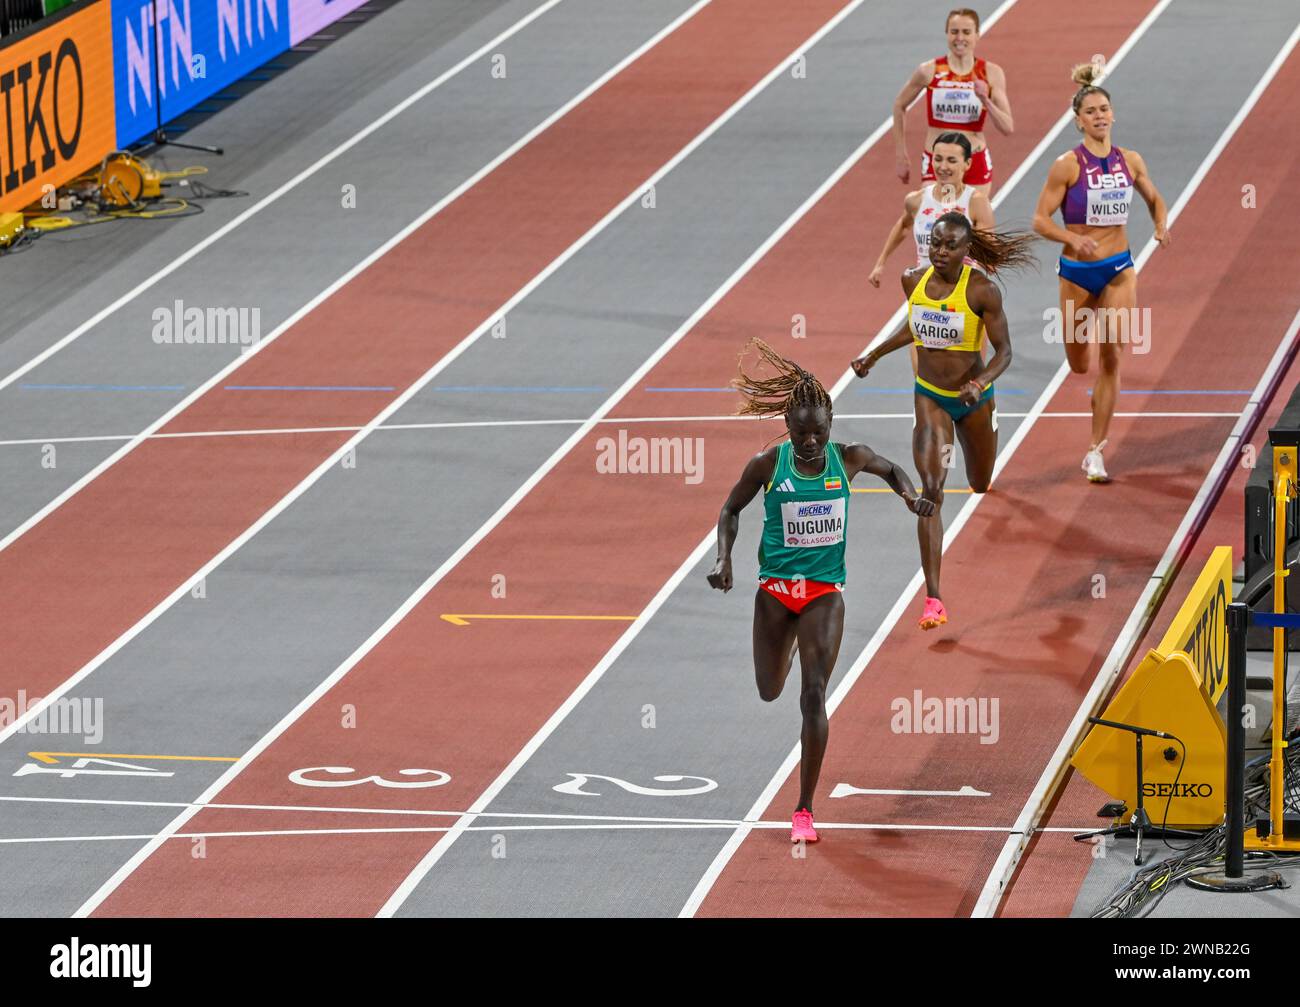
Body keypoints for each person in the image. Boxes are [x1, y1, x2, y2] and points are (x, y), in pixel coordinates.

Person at [708, 340, 933, 843]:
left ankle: (804, 811)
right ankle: (786, 647)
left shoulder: (847, 458)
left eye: (818, 433)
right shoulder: (768, 464)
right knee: (769, 691)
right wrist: (724, 560)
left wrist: (910, 496)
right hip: (774, 593)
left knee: (814, 695)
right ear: (788, 429)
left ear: (830, 427)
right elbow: (729, 510)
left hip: (823, 596)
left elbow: (892, 468)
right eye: (801, 434)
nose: (810, 442)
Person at [851, 214, 1035, 629]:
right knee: (931, 491)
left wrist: (982, 381)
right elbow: (915, 327)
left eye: (949, 246)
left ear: (965, 250)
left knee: (979, 481)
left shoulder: (982, 290)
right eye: (935, 243)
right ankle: (933, 598)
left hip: (973, 400)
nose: (939, 251)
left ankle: (989, 433)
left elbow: (1004, 351)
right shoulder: (912, 280)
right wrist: (874, 355)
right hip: (930, 397)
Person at [1031, 61, 1169, 482]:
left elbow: (1155, 199)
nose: (1099, 116)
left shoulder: (1130, 160)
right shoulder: (1066, 166)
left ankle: (1095, 451)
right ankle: (1085, 387)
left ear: (1113, 114)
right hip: (1076, 273)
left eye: (1104, 109)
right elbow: (1040, 219)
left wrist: (1161, 225)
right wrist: (1072, 240)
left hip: (1118, 268)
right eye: (1091, 111)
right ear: (1078, 121)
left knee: (1112, 356)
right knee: (1078, 363)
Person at [891, 7, 1013, 198]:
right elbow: (899, 105)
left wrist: (985, 100)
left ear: (977, 35)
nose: (960, 38)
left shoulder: (991, 73)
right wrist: (901, 154)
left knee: (975, 225)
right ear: (947, 34)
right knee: (938, 222)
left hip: (973, 161)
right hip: (940, 163)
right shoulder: (929, 71)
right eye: (954, 32)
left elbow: (1007, 127)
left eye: (966, 32)